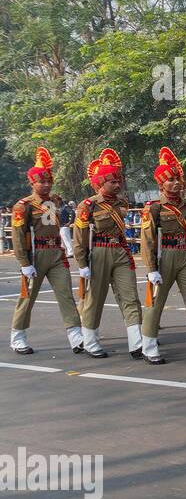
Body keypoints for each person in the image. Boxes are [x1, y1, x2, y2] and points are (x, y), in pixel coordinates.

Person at [10, 147, 83, 355]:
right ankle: (18, 336)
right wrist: (24, 263)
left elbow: (55, 226)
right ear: (32, 183)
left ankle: (76, 337)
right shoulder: (22, 206)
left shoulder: (54, 201)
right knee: (28, 297)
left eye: (49, 181)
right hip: (36, 255)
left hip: (56, 254)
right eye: (41, 181)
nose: (46, 184)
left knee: (66, 295)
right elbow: (17, 237)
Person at [73, 148, 144, 358]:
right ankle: (90, 341)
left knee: (130, 296)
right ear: (100, 184)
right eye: (112, 182)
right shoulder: (88, 206)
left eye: (118, 181)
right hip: (99, 252)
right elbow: (80, 236)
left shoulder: (122, 203)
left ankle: (136, 343)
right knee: (95, 299)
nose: (117, 184)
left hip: (120, 251)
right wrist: (83, 264)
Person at [138, 147, 186, 364]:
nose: (176, 183)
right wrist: (151, 270)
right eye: (170, 180)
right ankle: (148, 346)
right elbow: (147, 240)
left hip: (185, 255)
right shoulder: (154, 208)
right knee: (155, 303)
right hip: (163, 255)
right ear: (161, 184)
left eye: (178, 179)